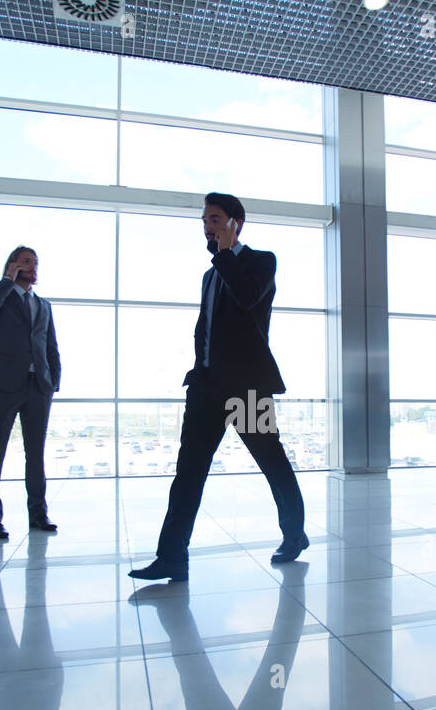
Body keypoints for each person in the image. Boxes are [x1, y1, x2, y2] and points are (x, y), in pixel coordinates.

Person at [129, 192, 307, 581]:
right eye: (205, 220)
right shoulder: (210, 274)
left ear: (234, 223)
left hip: (247, 389)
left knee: (271, 462)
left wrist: (225, 253)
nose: (207, 227)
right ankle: (172, 556)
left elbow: (247, 297)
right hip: (207, 388)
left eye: (215, 219)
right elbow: (206, 329)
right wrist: (197, 370)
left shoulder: (261, 261)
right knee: (188, 471)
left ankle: (294, 534)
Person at [0, 246, 61, 539]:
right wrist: (7, 282)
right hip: (4, 384)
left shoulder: (44, 304)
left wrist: (53, 381)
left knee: (35, 454)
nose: (34, 267)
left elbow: (51, 346)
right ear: (12, 265)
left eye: (36, 263)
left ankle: (38, 514)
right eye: (26, 262)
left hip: (39, 386)